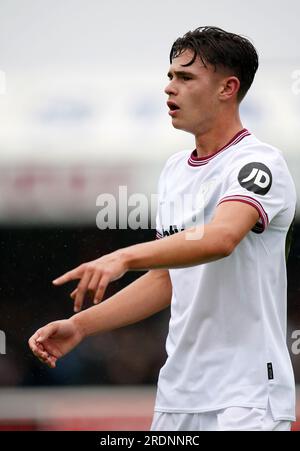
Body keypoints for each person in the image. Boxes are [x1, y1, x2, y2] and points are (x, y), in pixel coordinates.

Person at [28, 26, 296, 431]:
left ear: (228, 88)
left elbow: (221, 239)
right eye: (170, 76)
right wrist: (82, 326)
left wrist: (124, 256)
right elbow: (168, 279)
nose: (170, 88)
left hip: (247, 396)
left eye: (186, 78)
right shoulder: (174, 170)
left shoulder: (259, 163)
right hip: (179, 395)